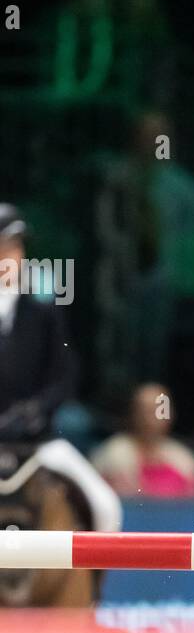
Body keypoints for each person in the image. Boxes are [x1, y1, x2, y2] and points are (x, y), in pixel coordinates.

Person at [0, 203, 122, 532]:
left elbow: (64, 374)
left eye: (14, 248)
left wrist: (35, 411)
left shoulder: (41, 312)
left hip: (35, 442)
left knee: (104, 505)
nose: (9, 257)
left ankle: (94, 584)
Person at [92, 383, 194, 497]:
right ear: (133, 413)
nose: (150, 417)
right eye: (145, 410)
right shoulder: (110, 455)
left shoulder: (184, 461)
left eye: (159, 410)